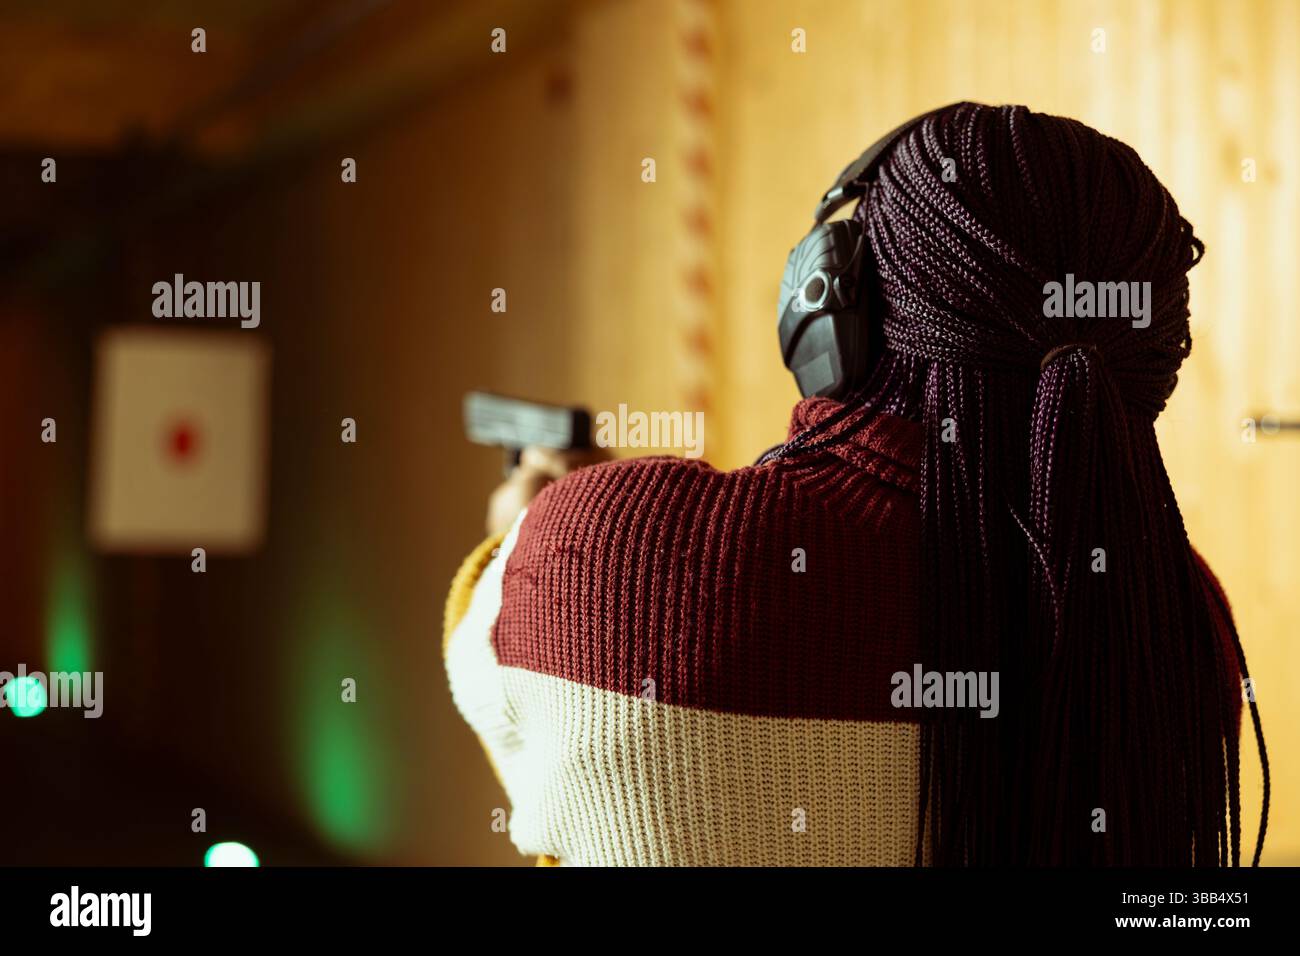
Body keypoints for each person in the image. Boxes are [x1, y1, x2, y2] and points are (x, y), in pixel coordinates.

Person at [443, 102, 1268, 866]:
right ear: (1154, 360)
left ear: (828, 302)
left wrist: (524, 528)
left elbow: (513, 715)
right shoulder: (1178, 624)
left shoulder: (601, 553)